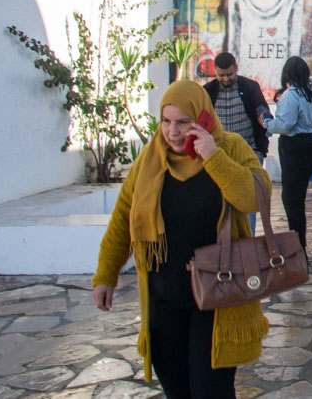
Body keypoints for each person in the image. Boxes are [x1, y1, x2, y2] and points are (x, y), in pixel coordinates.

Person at [91, 80, 269, 397]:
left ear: (203, 119)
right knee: (177, 391)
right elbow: (123, 219)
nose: (172, 132)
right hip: (163, 298)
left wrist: (213, 156)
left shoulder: (230, 147)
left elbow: (255, 198)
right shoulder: (150, 159)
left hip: (217, 295)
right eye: (166, 121)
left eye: (183, 122)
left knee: (210, 391)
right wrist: (106, 274)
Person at [260, 56, 312, 254]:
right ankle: (299, 243)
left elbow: (285, 124)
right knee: (297, 199)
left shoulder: (291, 96)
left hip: (295, 148)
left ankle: (298, 247)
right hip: (311, 144)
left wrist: (266, 123)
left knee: (291, 200)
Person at [203, 52, 270, 162]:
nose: (225, 79)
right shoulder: (207, 91)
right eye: (221, 75)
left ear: (236, 69)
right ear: (215, 71)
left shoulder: (250, 87)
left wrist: (261, 150)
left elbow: (264, 115)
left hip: (249, 153)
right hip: (218, 155)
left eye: (229, 74)